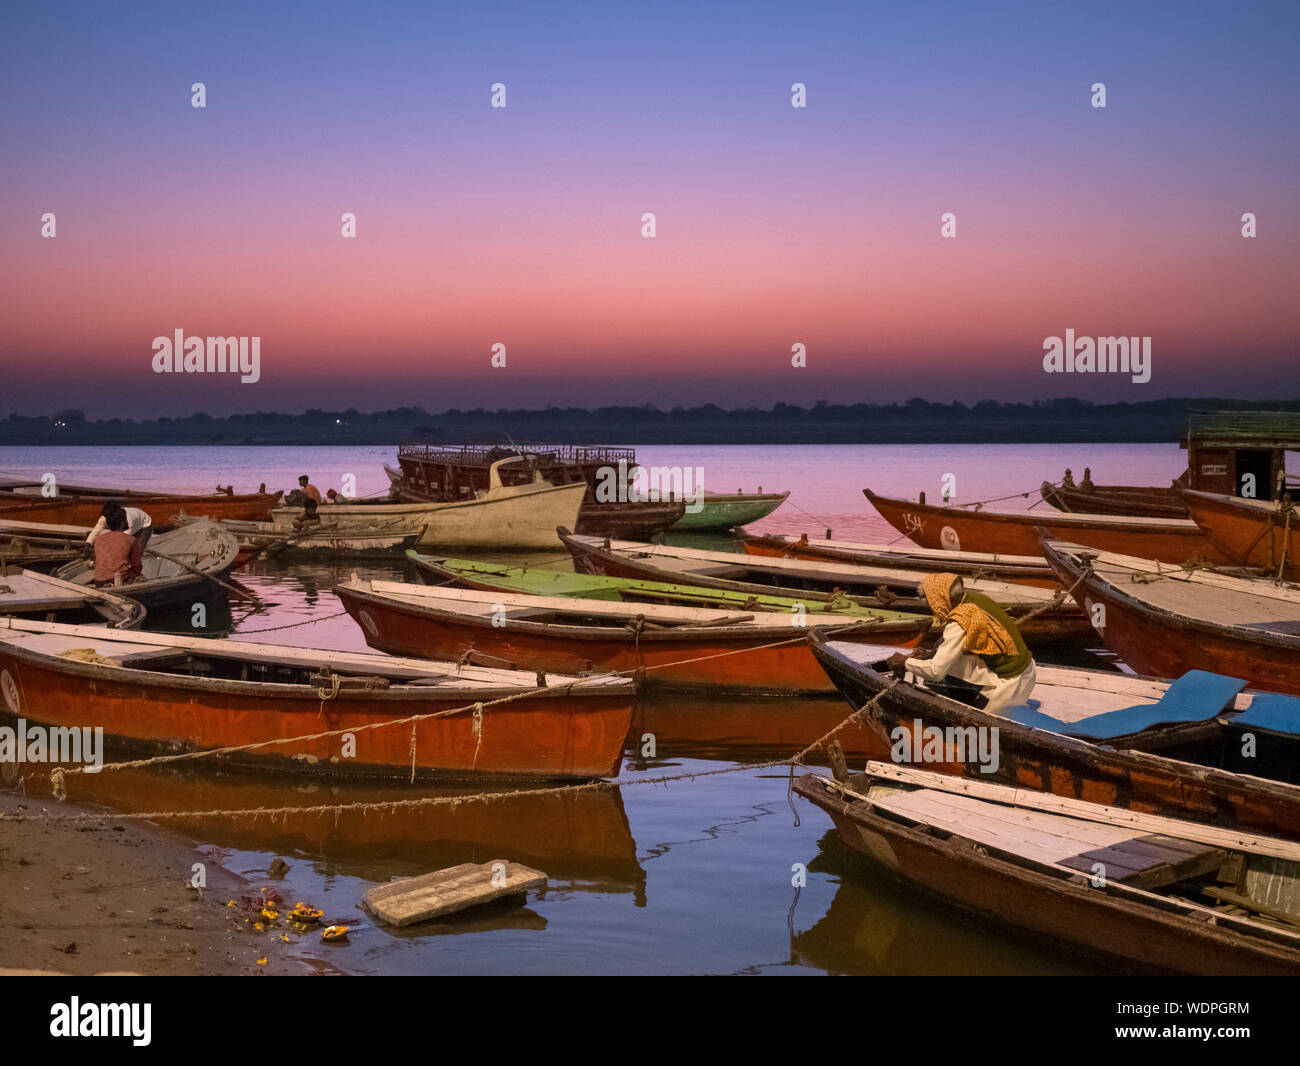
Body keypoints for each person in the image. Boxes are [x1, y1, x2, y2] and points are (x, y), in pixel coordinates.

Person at [886, 572, 1036, 715]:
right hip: (1028, 671)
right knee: (940, 650)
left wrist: (906, 662)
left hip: (1009, 688)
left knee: (938, 672)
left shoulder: (960, 621)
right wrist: (928, 655)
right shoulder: (977, 599)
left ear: (938, 600)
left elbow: (936, 671)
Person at [92, 511, 143, 586]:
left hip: (99, 581)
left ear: (108, 525)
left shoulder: (98, 539)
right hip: (119, 580)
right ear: (122, 523)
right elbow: (137, 566)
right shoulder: (131, 540)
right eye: (126, 520)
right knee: (139, 575)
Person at [86, 501, 153, 554]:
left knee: (137, 550)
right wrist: (88, 542)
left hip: (144, 525)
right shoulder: (107, 516)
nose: (106, 517)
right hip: (130, 527)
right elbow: (96, 530)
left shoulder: (130, 520)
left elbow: (122, 538)